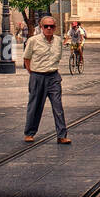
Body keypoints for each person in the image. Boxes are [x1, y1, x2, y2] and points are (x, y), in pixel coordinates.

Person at [23, 15, 69, 143]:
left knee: (58, 106)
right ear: (41, 27)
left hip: (53, 76)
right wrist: (32, 73)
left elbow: (58, 57)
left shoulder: (58, 41)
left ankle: (62, 135)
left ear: (55, 28)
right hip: (37, 76)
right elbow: (26, 58)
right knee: (35, 106)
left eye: (52, 26)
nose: (49, 28)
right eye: (46, 26)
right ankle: (29, 133)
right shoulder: (33, 40)